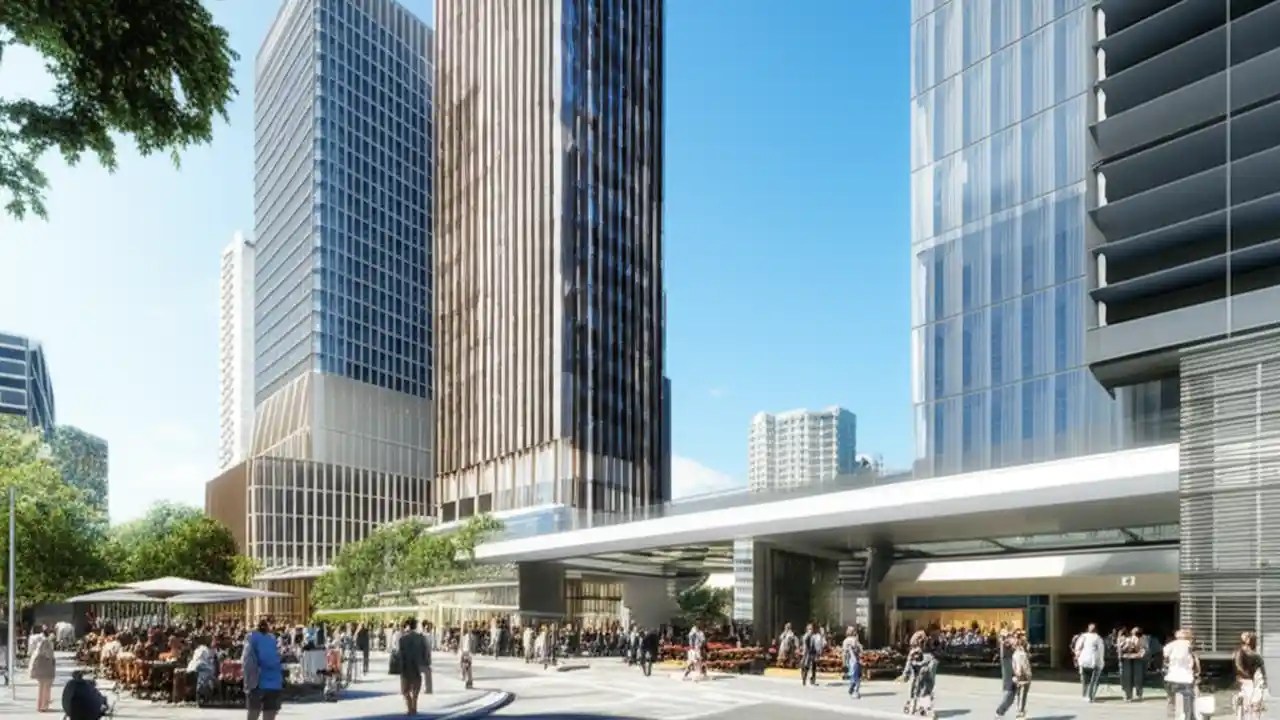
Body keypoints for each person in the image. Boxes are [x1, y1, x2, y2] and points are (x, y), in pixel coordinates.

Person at [243, 619, 284, 720]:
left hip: (257, 682)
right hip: (274, 682)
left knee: (253, 714)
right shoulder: (272, 639)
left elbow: (247, 661)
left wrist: (247, 682)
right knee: (269, 715)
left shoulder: (251, 638)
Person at [1164, 629, 1199, 720]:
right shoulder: (1190, 646)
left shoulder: (1169, 645)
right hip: (1186, 678)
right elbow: (1196, 663)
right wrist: (1197, 674)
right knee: (1188, 703)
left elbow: (1165, 660)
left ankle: (1171, 718)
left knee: (1171, 702)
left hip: (1171, 677)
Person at [397, 618, 430, 716]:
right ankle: (414, 706)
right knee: (416, 687)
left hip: (406, 666)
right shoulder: (421, 638)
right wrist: (426, 663)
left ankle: (410, 706)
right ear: (416, 626)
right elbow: (426, 651)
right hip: (417, 665)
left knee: (405, 690)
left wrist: (400, 666)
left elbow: (400, 654)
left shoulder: (402, 639)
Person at [995, 631, 1030, 719]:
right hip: (1009, 667)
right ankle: (1000, 711)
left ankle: (1020, 712)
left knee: (1017, 692)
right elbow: (1007, 643)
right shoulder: (1005, 647)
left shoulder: (1017, 646)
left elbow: (1024, 648)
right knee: (1010, 692)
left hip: (1016, 667)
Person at [1234, 631, 1267, 720]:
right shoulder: (1251, 654)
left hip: (1245, 681)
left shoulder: (1242, 652)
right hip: (1247, 681)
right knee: (1249, 706)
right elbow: (1262, 671)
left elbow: (1238, 667)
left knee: (1247, 706)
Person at [1073, 623, 1105, 703]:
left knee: (1084, 680)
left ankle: (1084, 695)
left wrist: (1077, 658)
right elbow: (1101, 651)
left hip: (1083, 661)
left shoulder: (1083, 637)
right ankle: (1090, 697)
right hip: (1094, 662)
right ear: (1096, 630)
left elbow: (1077, 648)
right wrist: (1101, 663)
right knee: (1093, 681)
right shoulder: (1098, 638)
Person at [28, 625, 55, 712]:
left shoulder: (36, 639)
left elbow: (32, 651)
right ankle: (44, 705)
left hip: (39, 664)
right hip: (46, 664)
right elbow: (48, 654)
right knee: (46, 685)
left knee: (41, 685)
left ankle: (40, 705)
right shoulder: (46, 641)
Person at [1120, 626, 1148, 702]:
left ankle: (1139, 694)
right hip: (1127, 658)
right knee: (1127, 677)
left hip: (1138, 658)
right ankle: (1128, 695)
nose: (1136, 632)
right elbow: (1120, 648)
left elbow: (1145, 648)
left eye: (1138, 630)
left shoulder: (1143, 638)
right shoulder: (1125, 638)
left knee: (1138, 677)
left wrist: (1138, 647)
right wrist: (1126, 645)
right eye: (1134, 630)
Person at [841, 625, 863, 698]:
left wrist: (844, 663)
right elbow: (861, 651)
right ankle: (855, 691)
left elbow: (844, 653)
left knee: (854, 676)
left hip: (851, 660)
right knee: (856, 676)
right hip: (855, 660)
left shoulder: (846, 641)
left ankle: (853, 689)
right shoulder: (854, 640)